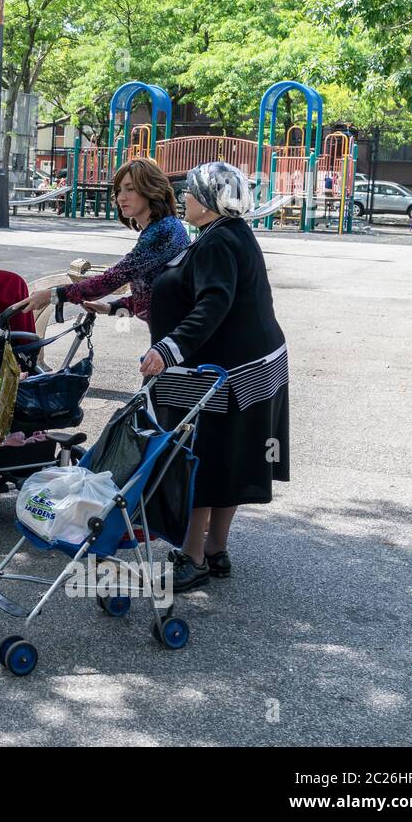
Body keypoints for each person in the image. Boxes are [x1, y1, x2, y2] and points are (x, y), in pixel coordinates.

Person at [140, 161, 290, 591]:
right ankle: (215, 548)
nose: (183, 198)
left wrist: (168, 349)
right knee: (231, 460)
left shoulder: (216, 243)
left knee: (202, 460)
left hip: (233, 372)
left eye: (190, 193)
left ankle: (193, 556)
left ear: (208, 203)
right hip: (254, 366)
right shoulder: (231, 233)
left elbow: (212, 304)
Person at [18, 158, 189, 321]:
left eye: (130, 189)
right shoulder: (168, 226)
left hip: (176, 342)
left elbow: (112, 279)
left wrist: (52, 295)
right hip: (173, 338)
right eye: (119, 190)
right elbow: (154, 295)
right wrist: (111, 308)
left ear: (151, 189)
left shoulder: (161, 232)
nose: (121, 197)